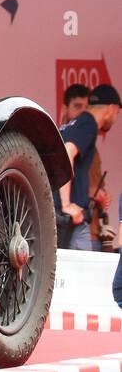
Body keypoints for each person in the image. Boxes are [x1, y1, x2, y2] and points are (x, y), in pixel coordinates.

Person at [57, 84, 120, 251]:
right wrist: (66, 205)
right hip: (71, 220)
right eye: (118, 113)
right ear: (111, 109)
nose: (116, 117)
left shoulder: (72, 125)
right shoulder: (88, 123)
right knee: (83, 275)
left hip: (59, 218)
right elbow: (66, 152)